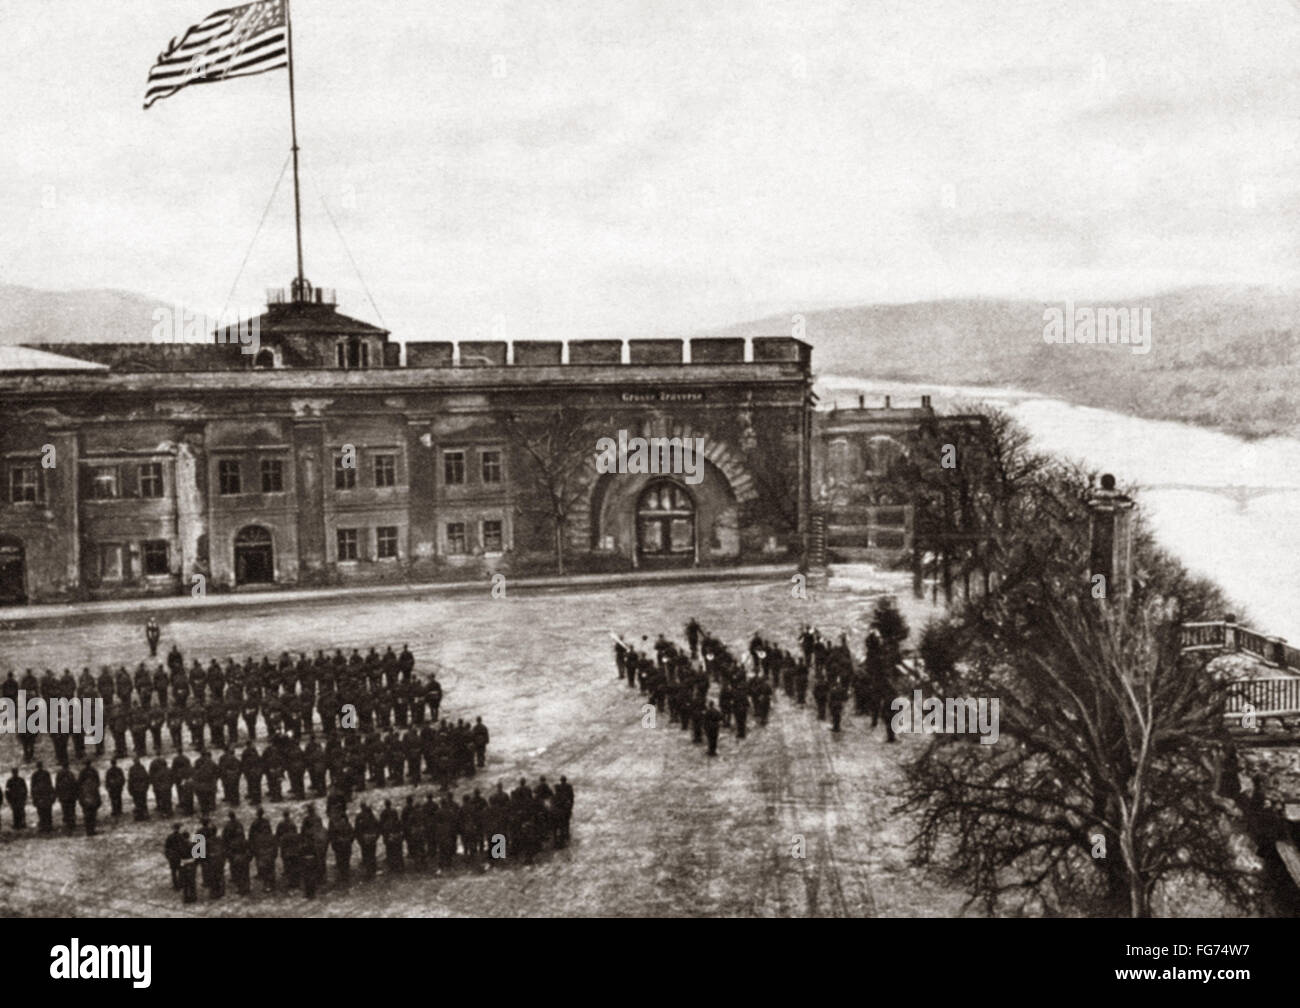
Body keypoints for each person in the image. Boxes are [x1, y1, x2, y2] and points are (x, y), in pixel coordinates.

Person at [30, 762, 54, 833]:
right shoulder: (44, 774)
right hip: (42, 796)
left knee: (44, 812)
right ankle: (46, 826)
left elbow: (33, 787)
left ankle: (46, 826)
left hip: (42, 796)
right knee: (44, 812)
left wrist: (34, 797)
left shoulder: (36, 775)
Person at [164, 823, 187, 889]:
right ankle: (181, 884)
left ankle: (175, 885)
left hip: (172, 856)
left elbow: (166, 847)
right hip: (179, 856)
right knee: (180, 870)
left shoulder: (170, 837)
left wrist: (168, 856)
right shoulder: (181, 837)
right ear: (179, 828)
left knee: (173, 871)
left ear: (173, 829)